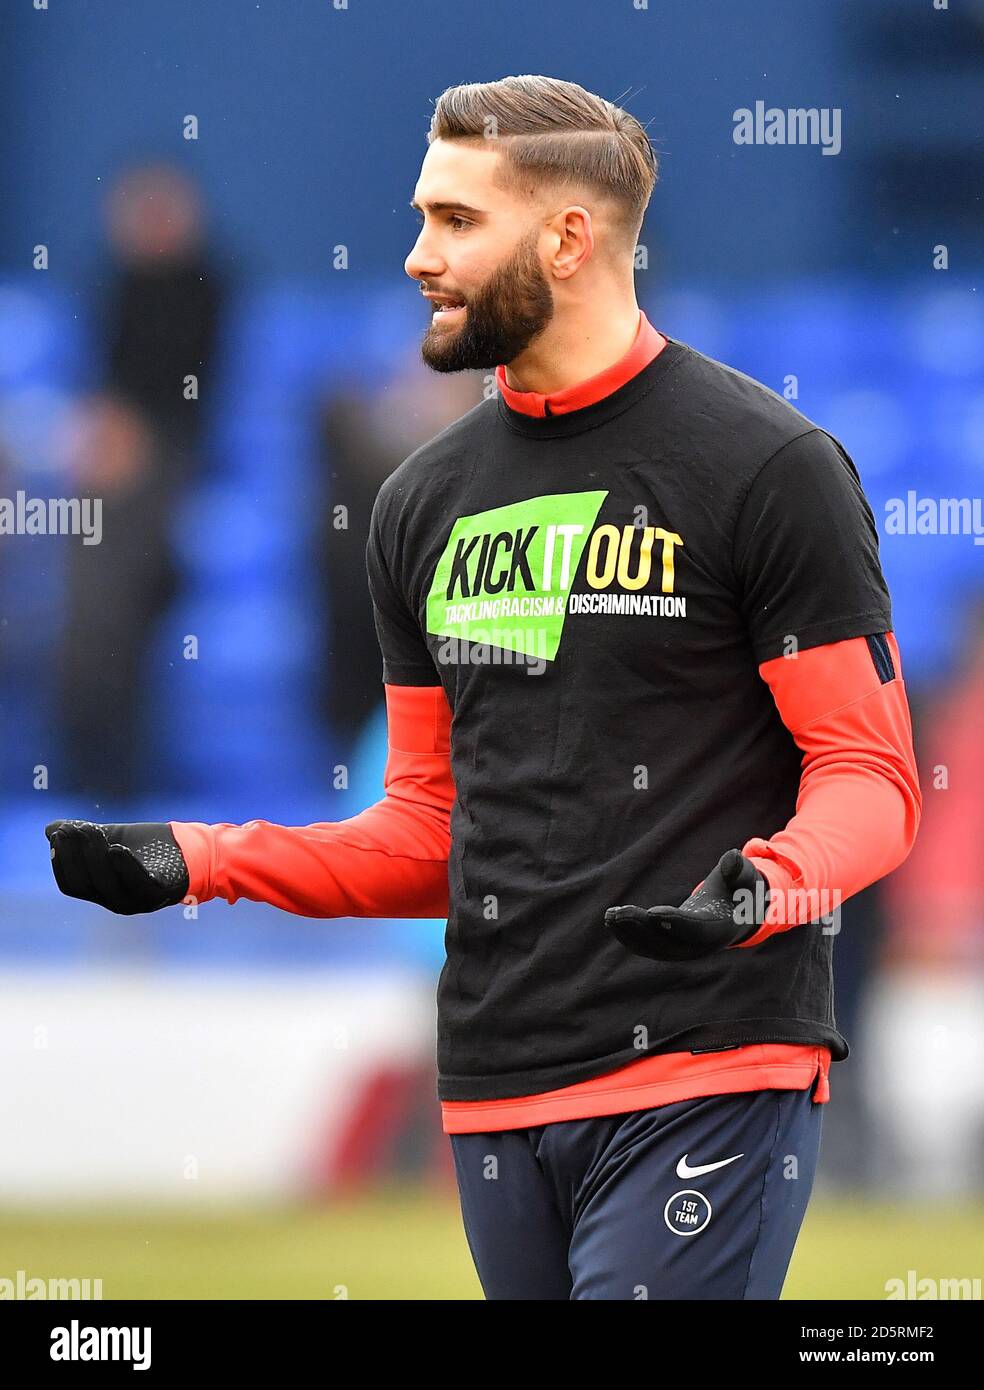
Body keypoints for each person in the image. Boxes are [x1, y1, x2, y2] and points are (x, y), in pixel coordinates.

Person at [45, 75, 922, 1300]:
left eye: (456, 221)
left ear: (569, 238)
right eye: (420, 217)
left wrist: (771, 885)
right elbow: (426, 833)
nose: (415, 256)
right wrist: (198, 857)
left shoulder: (768, 467)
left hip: (709, 1068)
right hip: (497, 1084)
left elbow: (873, 779)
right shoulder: (419, 502)